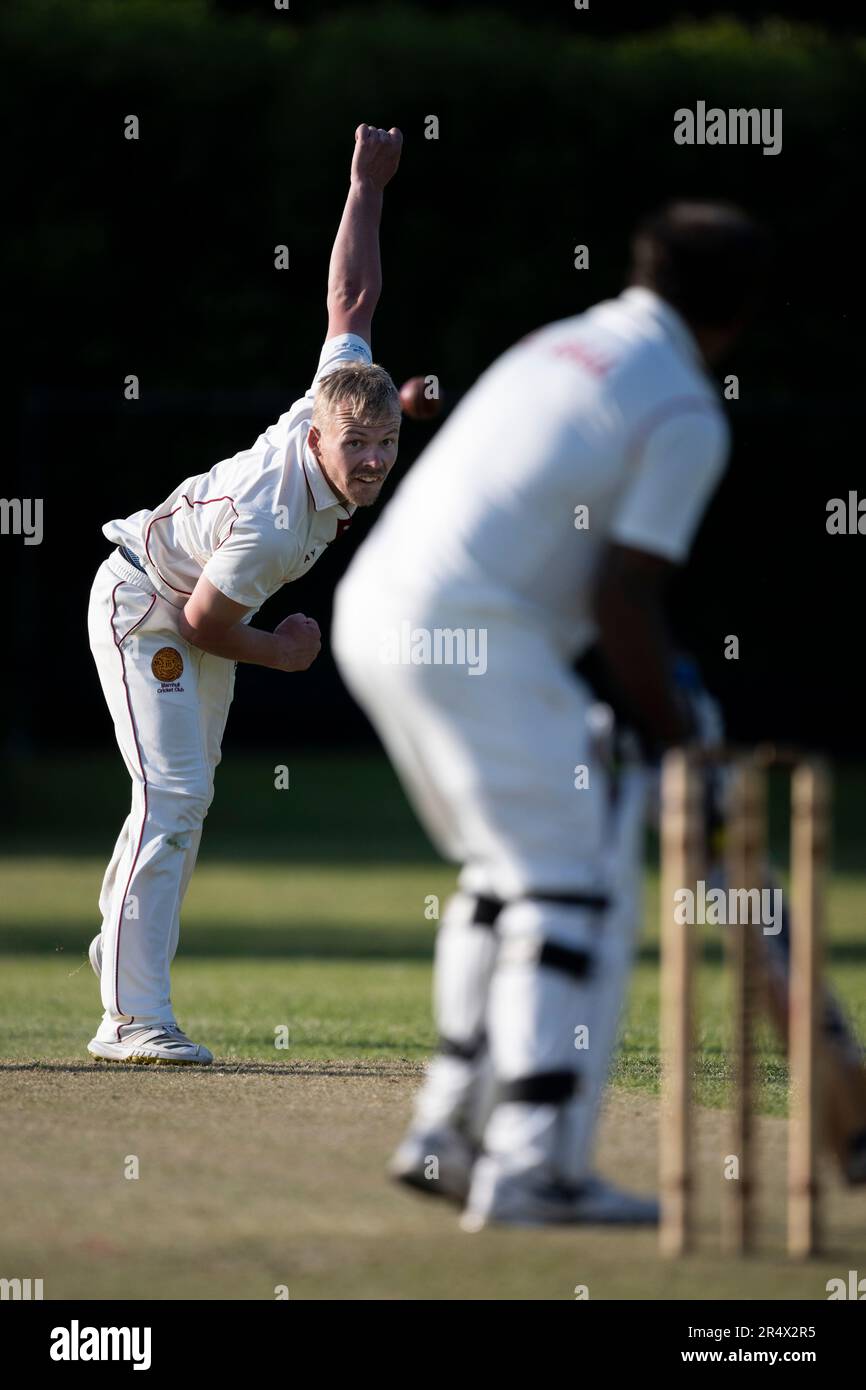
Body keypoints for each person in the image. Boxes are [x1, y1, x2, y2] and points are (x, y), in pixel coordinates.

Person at [333, 201, 771, 1227]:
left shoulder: (556, 343)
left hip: (377, 608)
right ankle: (532, 1168)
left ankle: (449, 1135)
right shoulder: (682, 411)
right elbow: (624, 595)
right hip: (474, 634)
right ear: (740, 310)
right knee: (573, 884)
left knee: (507, 875)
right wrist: (684, 741)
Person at [86, 124, 403, 1064]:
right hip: (147, 604)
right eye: (359, 449)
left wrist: (365, 186)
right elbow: (206, 621)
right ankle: (129, 1019)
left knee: (179, 799)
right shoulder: (272, 517)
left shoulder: (332, 391)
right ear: (319, 437)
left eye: (386, 446)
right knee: (172, 795)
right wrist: (284, 651)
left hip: (186, 604)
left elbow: (352, 294)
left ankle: (123, 962)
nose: (375, 462)